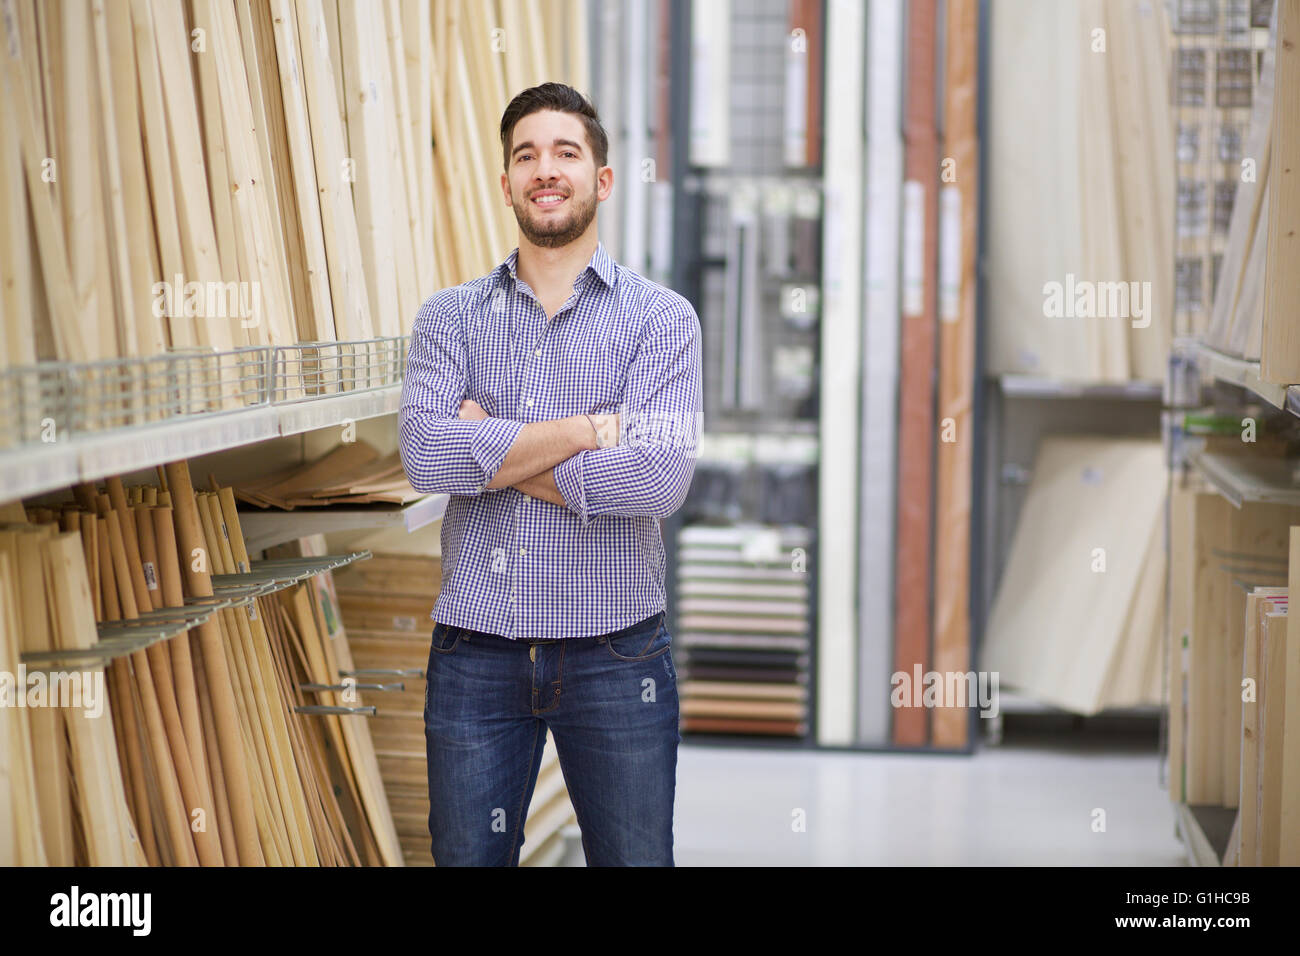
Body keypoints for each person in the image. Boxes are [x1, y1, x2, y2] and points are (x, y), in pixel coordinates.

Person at [398, 82, 702, 866]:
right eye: (526, 155)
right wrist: (583, 433)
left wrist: (492, 454)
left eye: (566, 152)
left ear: (602, 179)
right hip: (477, 648)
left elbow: (658, 481)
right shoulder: (448, 318)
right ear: (505, 184)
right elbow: (427, 457)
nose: (546, 169)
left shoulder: (662, 321)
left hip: (617, 652)